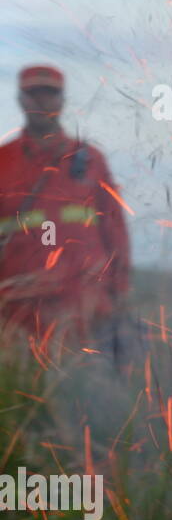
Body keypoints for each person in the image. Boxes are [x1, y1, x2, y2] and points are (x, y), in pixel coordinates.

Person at [0, 65, 131, 355]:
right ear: (21, 99)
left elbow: (115, 230)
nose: (42, 101)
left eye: (50, 93)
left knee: (88, 395)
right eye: (34, 94)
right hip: (18, 316)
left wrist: (118, 293)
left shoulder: (92, 160)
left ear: (62, 100)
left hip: (86, 310)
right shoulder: (2, 162)